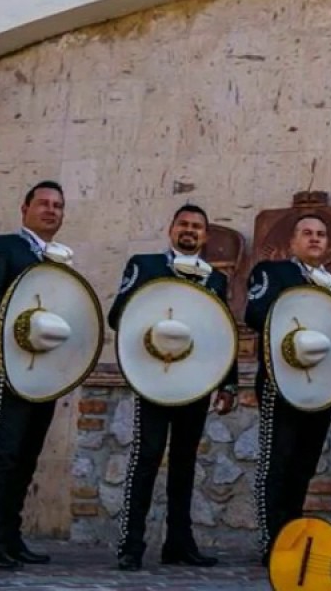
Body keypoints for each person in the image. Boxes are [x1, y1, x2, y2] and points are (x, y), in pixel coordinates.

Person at [110, 205, 238, 571]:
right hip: (152, 377)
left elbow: (221, 333)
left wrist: (227, 382)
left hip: (195, 379)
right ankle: (131, 545)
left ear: (206, 237)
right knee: (146, 458)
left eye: (197, 227)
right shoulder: (146, 265)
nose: (190, 230)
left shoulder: (215, 279)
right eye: (184, 224)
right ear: (171, 229)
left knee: (185, 463)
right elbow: (118, 315)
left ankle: (179, 544)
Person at [245, 214, 331, 564]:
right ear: (293, 242)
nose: (315, 239)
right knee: (278, 461)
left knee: (303, 465)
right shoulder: (272, 273)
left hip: (320, 386)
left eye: (321, 234)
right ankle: (272, 542)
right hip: (280, 381)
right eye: (307, 233)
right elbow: (255, 314)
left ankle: (291, 537)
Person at [0, 181, 71, 569]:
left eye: (58, 206)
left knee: (27, 456)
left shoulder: (61, 259)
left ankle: (11, 538)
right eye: (44, 203)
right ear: (25, 208)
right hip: (10, 365)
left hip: (46, 372)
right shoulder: (0, 246)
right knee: (2, 454)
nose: (51, 210)